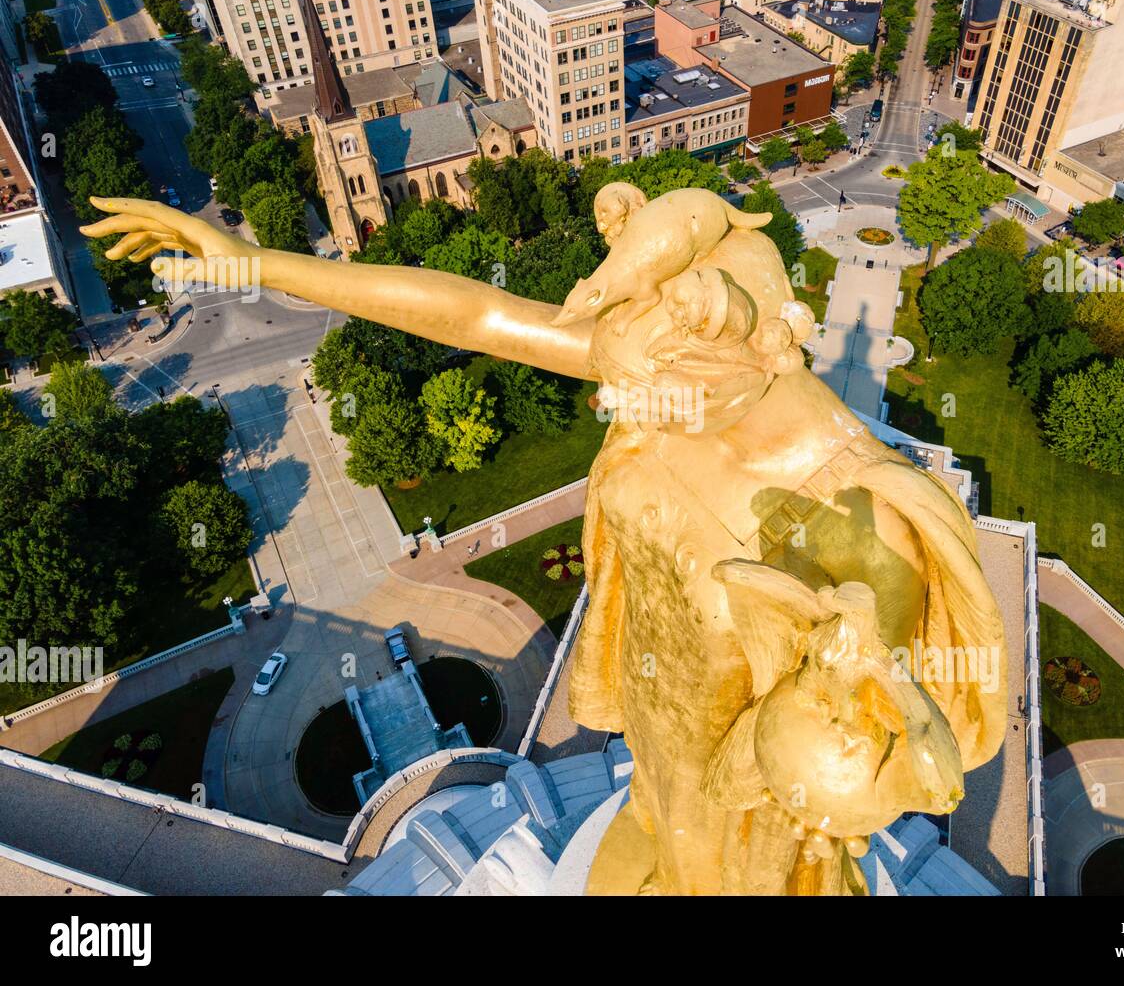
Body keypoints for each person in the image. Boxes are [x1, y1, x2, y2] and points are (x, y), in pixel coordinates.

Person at [81, 186, 1006, 896]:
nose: (610, 403)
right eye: (611, 379)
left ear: (758, 357)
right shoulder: (672, 380)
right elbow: (474, 314)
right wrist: (257, 265)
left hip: (753, 837)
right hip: (660, 754)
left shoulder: (862, 521)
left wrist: (842, 700)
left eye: (633, 392)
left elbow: (853, 761)